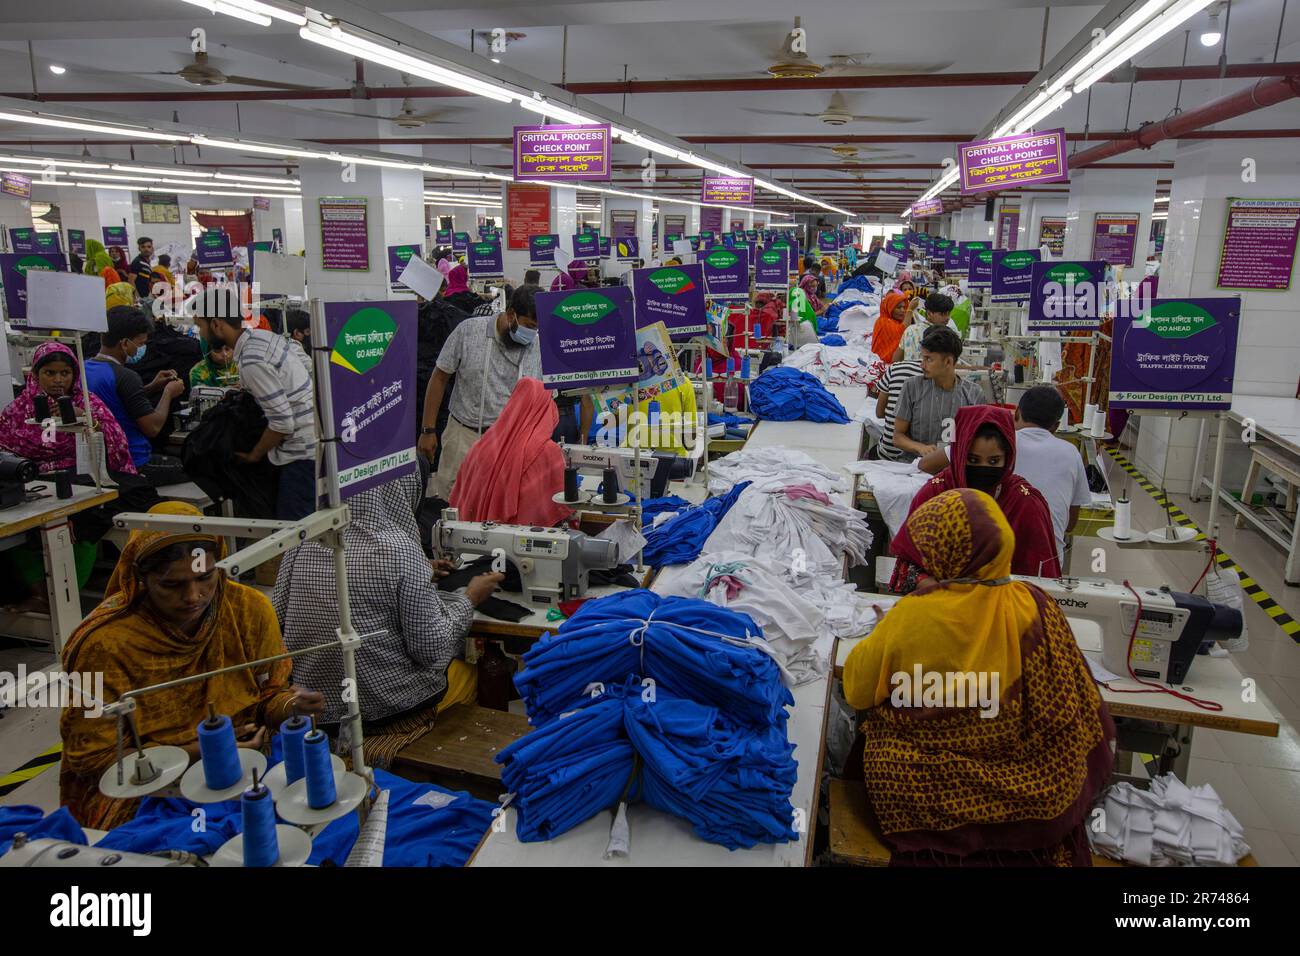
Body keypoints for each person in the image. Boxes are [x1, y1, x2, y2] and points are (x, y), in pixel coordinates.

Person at [843, 488, 1114, 866]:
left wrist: (884, 637)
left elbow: (857, 692)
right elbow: (1071, 700)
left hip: (932, 797)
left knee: (881, 746)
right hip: (1037, 791)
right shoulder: (1036, 602)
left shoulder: (913, 617)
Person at [59, 502, 325, 829]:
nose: (193, 596)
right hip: (147, 786)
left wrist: (289, 705)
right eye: (171, 585)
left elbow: (269, 693)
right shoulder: (106, 645)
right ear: (140, 578)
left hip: (243, 759)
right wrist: (199, 752)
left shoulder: (247, 610)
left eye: (205, 578)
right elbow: (92, 760)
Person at [274, 473, 502, 767]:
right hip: (386, 712)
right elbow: (430, 649)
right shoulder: (398, 549)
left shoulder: (302, 540)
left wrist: (420, 570)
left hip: (318, 709)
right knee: (475, 671)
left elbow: (276, 619)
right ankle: (481, 763)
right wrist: (469, 598)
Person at [893, 404, 1061, 586]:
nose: (983, 469)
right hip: (942, 603)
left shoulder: (1024, 503)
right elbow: (908, 565)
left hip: (1003, 606)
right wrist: (935, 587)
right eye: (972, 460)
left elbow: (1041, 581)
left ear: (1008, 457)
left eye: (994, 461)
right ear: (958, 454)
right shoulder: (935, 494)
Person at [194, 287, 318, 520]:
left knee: (297, 534)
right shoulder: (264, 338)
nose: (200, 333)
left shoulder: (251, 359)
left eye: (200, 326)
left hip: (300, 453)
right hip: (312, 442)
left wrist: (255, 454)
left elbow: (282, 423)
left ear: (216, 324)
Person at [419, 284, 543, 499]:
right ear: (511, 314)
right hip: (464, 436)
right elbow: (439, 377)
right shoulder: (469, 331)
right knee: (455, 504)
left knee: (498, 508)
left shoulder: (536, 345)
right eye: (529, 326)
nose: (532, 333)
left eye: (537, 328)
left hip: (509, 443)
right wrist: (428, 430)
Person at [449, 377, 573, 526]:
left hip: (472, 537)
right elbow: (559, 508)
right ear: (544, 407)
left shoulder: (480, 446)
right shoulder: (547, 452)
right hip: (522, 541)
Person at [0, 342, 136, 476]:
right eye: (49, 373)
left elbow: (117, 440)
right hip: (31, 477)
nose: (58, 380)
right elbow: (4, 452)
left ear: (74, 374)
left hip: (83, 474)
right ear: (35, 374)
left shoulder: (87, 403)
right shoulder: (18, 410)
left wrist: (84, 417)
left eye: (65, 373)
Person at [85, 306, 186, 472]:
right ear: (125, 343)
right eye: (141, 344)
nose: (142, 349)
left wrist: (152, 387)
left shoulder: (84, 369)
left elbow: (116, 401)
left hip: (103, 460)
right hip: (134, 461)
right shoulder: (126, 376)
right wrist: (168, 392)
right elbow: (152, 427)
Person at [1011, 386, 1092, 559]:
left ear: (1016, 413)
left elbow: (937, 462)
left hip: (1000, 563)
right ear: (1056, 426)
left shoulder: (1001, 442)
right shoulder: (1071, 452)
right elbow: (1070, 525)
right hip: (1049, 564)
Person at [889, 326, 984, 462]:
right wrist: (920, 447)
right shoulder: (912, 387)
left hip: (954, 465)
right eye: (923, 358)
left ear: (948, 362)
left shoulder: (973, 394)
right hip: (915, 463)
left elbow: (979, 439)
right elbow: (898, 437)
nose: (922, 365)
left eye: (929, 359)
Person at [897, 292, 955, 363]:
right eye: (942, 314)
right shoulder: (942, 335)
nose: (948, 318)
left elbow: (896, 358)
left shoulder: (910, 330)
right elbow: (947, 363)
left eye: (948, 314)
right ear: (929, 313)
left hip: (908, 372)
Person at [871, 290, 912, 364]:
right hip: (884, 364)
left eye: (904, 307)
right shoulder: (884, 322)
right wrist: (910, 310)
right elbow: (905, 331)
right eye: (899, 308)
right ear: (890, 308)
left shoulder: (896, 321)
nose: (903, 310)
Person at [285, 308, 313, 376]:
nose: (311, 335)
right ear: (297, 333)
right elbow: (315, 373)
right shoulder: (294, 347)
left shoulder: (282, 341)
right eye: (308, 332)